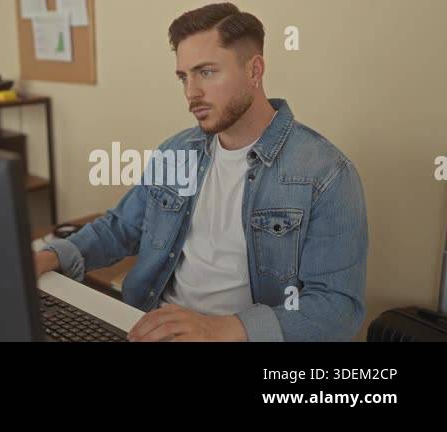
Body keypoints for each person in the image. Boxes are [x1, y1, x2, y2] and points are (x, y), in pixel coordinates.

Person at [35, 3, 368, 342]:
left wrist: (221, 329)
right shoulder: (176, 151)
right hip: (148, 328)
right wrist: (50, 256)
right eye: (184, 76)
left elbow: (336, 309)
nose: (191, 92)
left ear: (254, 71)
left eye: (206, 72)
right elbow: (120, 228)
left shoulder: (326, 175)